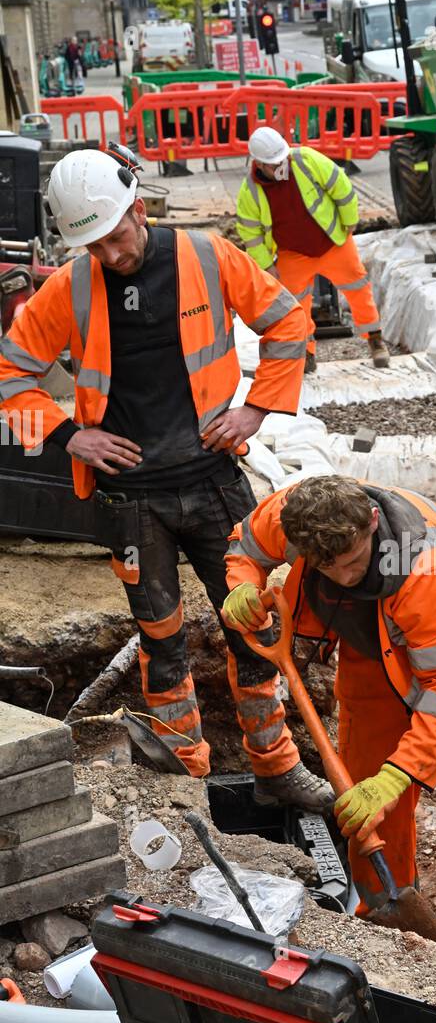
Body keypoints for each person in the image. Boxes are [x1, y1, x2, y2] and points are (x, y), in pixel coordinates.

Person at [0, 148, 331, 809]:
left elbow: (289, 320)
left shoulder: (208, 258)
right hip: (131, 500)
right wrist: (71, 435)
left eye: (117, 238)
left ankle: (275, 765)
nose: (112, 255)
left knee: (255, 625)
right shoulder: (69, 287)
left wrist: (257, 407)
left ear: (139, 210)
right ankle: (186, 776)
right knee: (162, 641)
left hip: (214, 481)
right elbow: (10, 377)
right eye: (93, 246)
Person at [221, 475, 436, 960]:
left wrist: (399, 776)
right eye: (327, 568)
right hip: (368, 647)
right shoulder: (291, 515)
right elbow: (245, 544)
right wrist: (242, 585)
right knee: (362, 791)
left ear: (373, 523)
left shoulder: (426, 567)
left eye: (355, 562)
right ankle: (387, 909)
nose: (343, 577)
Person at [236, 127, 389, 374]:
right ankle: (306, 354)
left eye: (283, 159)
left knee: (358, 290)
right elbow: (250, 233)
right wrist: (267, 265)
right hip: (293, 254)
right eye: (275, 164)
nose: (281, 165)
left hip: (333, 243)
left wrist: (350, 220)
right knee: (295, 308)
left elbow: (341, 187)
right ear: (260, 164)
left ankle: (375, 340)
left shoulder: (307, 160)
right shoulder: (250, 191)